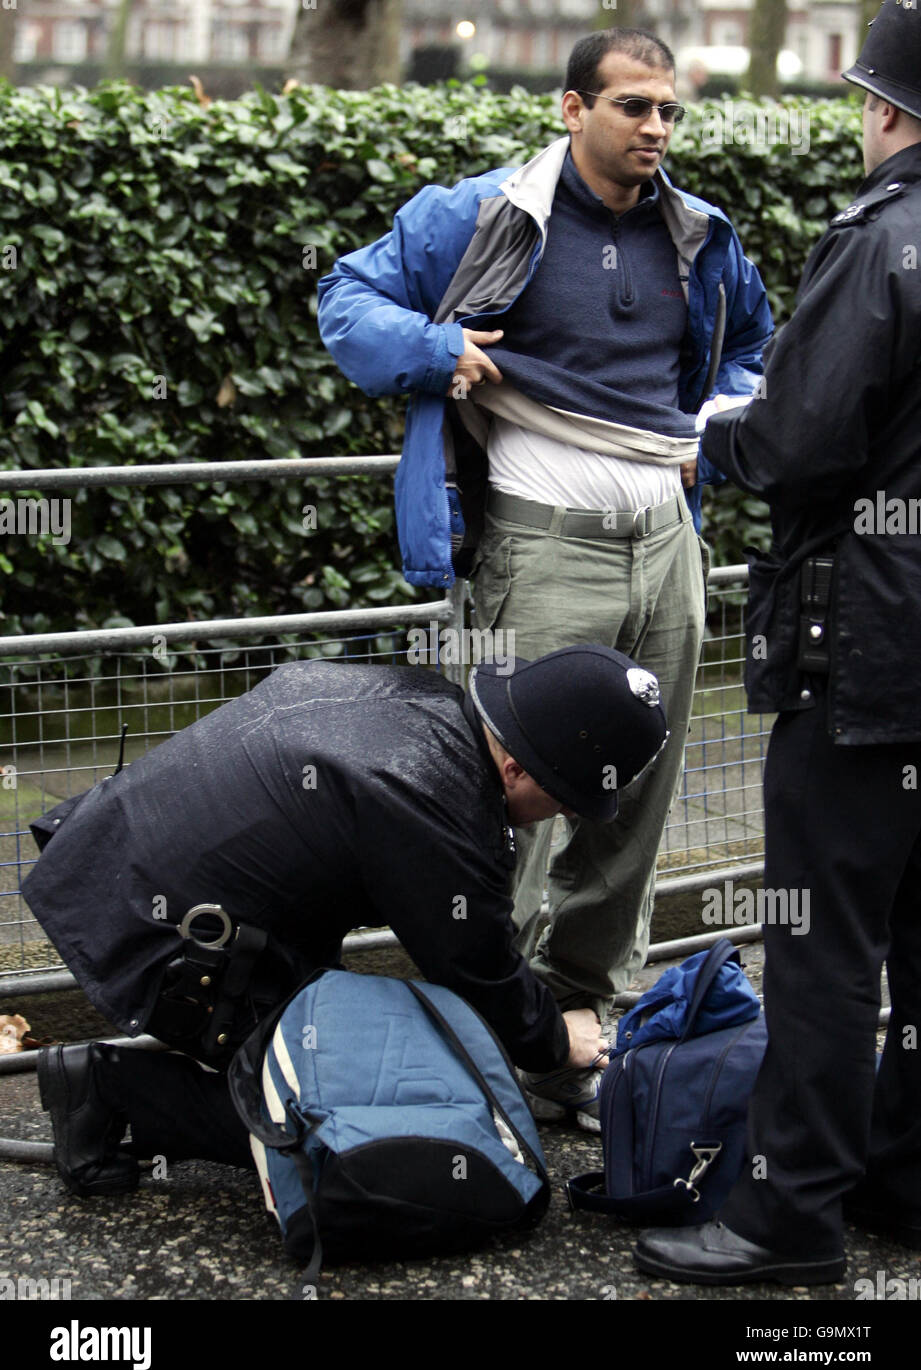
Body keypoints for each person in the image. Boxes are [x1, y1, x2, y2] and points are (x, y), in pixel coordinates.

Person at [317, 27, 772, 1125]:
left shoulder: (701, 235)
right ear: (573, 110)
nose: (656, 128)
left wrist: (717, 421)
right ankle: (481, 1050)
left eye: (668, 110)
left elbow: (759, 349)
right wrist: (434, 354)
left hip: (668, 546)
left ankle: (579, 1035)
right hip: (536, 544)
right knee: (508, 809)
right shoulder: (482, 215)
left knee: (635, 804)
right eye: (633, 107)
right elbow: (346, 302)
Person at [635, 0, 921, 1285]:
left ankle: (788, 1217)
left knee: (819, 939)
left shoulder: (882, 243)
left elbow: (805, 436)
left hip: (864, 649)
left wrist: (722, 433)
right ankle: (902, 1176)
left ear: (884, 109)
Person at [25, 645, 668, 1195]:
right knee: (351, 1115)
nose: (566, 817)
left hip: (110, 857)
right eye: (564, 800)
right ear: (515, 768)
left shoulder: (424, 700)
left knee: (347, 1040)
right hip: (158, 933)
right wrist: (559, 1037)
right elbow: (478, 969)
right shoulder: (436, 804)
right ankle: (107, 1090)